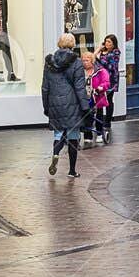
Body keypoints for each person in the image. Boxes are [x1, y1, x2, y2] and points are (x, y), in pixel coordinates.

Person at [43, 34, 90, 177]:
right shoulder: (76, 62)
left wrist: (46, 106)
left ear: (59, 43)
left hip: (54, 103)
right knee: (73, 136)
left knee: (58, 134)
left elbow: (45, 87)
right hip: (72, 103)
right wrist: (85, 107)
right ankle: (72, 171)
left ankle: (56, 153)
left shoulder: (49, 62)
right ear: (73, 44)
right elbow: (80, 87)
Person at [93, 34, 121, 144]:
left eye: (109, 42)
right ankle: (99, 121)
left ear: (114, 43)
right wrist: (98, 51)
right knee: (100, 100)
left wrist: (98, 55)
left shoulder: (116, 52)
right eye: (106, 41)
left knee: (109, 99)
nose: (107, 43)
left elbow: (108, 65)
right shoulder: (102, 52)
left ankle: (108, 121)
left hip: (111, 79)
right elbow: (94, 61)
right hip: (101, 79)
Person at [84, 50, 113, 149]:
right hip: (84, 96)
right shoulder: (80, 71)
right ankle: (87, 135)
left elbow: (106, 82)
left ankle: (99, 133)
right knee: (87, 115)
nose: (84, 62)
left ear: (92, 61)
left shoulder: (101, 71)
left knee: (99, 115)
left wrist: (100, 87)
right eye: (83, 60)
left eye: (87, 60)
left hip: (97, 96)